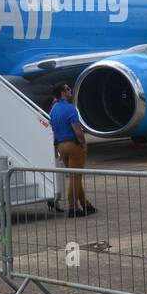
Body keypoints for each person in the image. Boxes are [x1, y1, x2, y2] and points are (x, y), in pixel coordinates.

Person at [49, 83, 95, 217]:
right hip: (73, 145)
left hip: (60, 146)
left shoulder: (53, 110)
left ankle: (86, 205)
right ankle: (73, 207)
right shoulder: (70, 109)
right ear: (63, 93)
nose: (70, 91)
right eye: (68, 89)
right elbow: (77, 130)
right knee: (75, 177)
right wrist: (83, 143)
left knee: (75, 176)